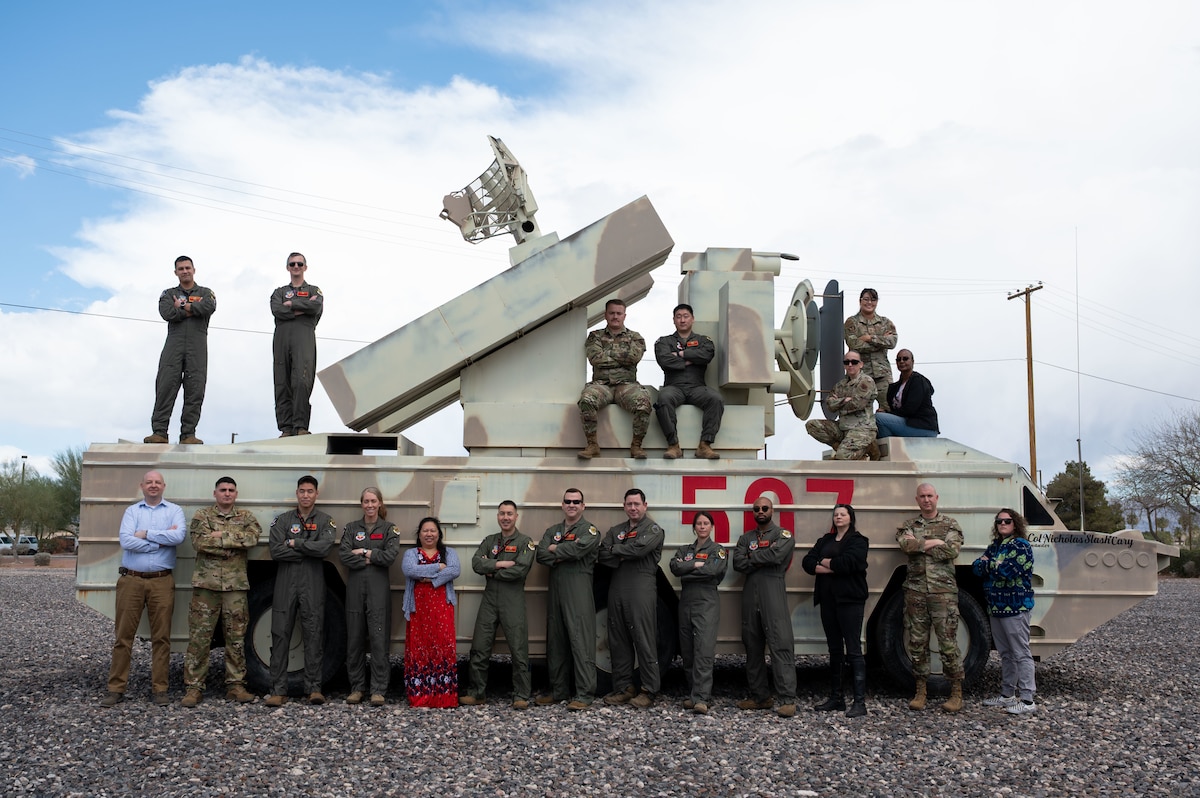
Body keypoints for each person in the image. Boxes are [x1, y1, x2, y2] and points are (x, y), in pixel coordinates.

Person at [101, 470, 186, 707]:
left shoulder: (174, 511)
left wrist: (146, 534)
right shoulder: (132, 511)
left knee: (162, 637)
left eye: (157, 482)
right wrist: (159, 543)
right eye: (149, 482)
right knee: (123, 637)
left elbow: (178, 537)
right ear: (142, 486)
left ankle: (160, 689)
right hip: (131, 580)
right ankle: (116, 688)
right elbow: (126, 540)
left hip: (162, 581)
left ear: (164, 486)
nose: (153, 485)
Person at [181, 476, 262, 707]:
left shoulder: (246, 516)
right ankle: (194, 687)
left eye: (231, 490)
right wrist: (233, 544)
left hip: (235, 587)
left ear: (236, 494)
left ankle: (235, 685)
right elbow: (199, 543)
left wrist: (221, 536)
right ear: (215, 493)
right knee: (200, 638)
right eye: (223, 489)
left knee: (236, 638)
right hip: (206, 588)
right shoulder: (202, 515)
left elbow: (252, 538)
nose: (227, 493)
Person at [264, 475, 336, 707]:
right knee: (280, 631)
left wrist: (295, 543)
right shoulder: (283, 520)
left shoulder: (325, 521)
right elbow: (276, 551)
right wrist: (308, 550)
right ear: (297, 493)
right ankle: (278, 690)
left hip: (312, 581)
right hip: (286, 580)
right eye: (302, 491)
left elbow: (324, 549)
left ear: (316, 494)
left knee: (313, 632)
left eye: (310, 491)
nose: (306, 495)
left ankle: (314, 688)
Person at [460, 501, 536, 709]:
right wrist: (500, 564)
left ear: (516, 516)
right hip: (490, 599)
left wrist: (492, 571)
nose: (505, 517)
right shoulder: (490, 541)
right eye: (502, 513)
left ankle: (521, 695)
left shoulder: (525, 542)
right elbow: (476, 563)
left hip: (512, 600)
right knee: (480, 646)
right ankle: (477, 692)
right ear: (497, 516)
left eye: (509, 514)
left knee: (518, 649)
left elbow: (521, 570)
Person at [896, 482, 965, 712]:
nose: (926, 500)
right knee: (917, 643)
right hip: (915, 592)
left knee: (948, 643)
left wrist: (920, 545)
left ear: (936, 497)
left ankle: (956, 692)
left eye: (929, 496)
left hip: (943, 593)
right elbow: (906, 546)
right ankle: (920, 691)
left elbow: (951, 550)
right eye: (922, 496)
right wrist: (935, 542)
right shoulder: (909, 525)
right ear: (917, 500)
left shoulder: (950, 524)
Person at [534, 488, 601, 710]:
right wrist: (563, 553)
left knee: (581, 640)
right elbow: (541, 554)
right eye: (568, 501)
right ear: (562, 505)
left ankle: (584, 693)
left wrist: (556, 550)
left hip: (578, 589)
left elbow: (579, 550)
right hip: (556, 590)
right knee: (556, 640)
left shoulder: (589, 531)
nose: (572, 505)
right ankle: (558, 690)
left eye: (576, 501)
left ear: (583, 506)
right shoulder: (552, 530)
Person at [599, 488, 665, 708]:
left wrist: (616, 550)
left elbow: (640, 550)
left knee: (644, 639)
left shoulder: (653, 529)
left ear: (645, 506)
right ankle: (624, 687)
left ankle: (649, 690)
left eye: (637, 504)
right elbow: (603, 555)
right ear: (624, 506)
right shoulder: (616, 530)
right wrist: (622, 552)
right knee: (618, 639)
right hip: (617, 587)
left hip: (641, 588)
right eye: (629, 504)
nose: (633, 508)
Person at [801, 504, 870, 718]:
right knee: (835, 649)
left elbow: (850, 563)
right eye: (836, 514)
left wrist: (824, 562)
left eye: (843, 514)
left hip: (850, 601)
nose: (839, 517)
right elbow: (807, 562)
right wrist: (832, 566)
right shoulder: (825, 540)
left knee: (854, 649)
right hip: (828, 600)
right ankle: (836, 698)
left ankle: (859, 702)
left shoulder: (858, 541)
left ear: (851, 517)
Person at [733, 496, 798, 718]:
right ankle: (760, 696)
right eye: (756, 509)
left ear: (772, 510)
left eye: (764, 508)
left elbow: (778, 555)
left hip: (773, 592)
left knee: (781, 643)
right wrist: (763, 558)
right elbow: (738, 563)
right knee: (752, 645)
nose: (760, 511)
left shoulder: (783, 535)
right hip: (750, 594)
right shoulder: (746, 538)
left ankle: (787, 699)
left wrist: (752, 557)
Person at [144, 256, 217, 445]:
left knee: (195, 389)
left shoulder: (205, 292)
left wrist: (183, 306)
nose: (185, 271)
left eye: (187, 268)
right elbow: (167, 313)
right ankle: (159, 432)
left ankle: (188, 434)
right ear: (175, 272)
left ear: (194, 270)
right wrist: (193, 310)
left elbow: (208, 307)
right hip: (173, 346)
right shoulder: (169, 294)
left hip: (197, 346)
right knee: (165, 386)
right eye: (181, 269)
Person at [339, 487, 401, 706]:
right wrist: (373, 557)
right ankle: (357, 688)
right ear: (361, 504)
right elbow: (344, 555)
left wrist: (364, 552)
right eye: (366, 501)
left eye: (373, 501)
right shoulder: (351, 528)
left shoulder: (389, 529)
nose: (370, 505)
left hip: (378, 588)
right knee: (354, 639)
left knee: (378, 639)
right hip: (355, 587)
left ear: (380, 503)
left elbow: (390, 556)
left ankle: (378, 690)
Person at [973, 509, 1037, 714]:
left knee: (1021, 653)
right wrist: (994, 564)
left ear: (1015, 523)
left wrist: (989, 564)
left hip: (1016, 607)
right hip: (996, 608)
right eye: (999, 521)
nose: (1002, 524)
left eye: (1007, 521)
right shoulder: (996, 546)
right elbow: (976, 568)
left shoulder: (1021, 546)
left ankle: (1027, 700)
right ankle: (1008, 695)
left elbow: (1007, 572)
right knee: (1006, 654)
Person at [577, 298, 653, 459]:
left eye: (619, 313)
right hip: (602, 385)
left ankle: (636, 446)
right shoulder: (595, 336)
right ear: (605, 315)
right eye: (612, 313)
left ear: (624, 316)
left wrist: (608, 353)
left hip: (626, 385)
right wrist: (623, 357)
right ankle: (592, 445)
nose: (615, 316)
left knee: (643, 403)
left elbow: (633, 358)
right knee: (586, 400)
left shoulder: (635, 337)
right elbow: (595, 359)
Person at [668, 510, 727, 714]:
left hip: (706, 602)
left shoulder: (717, 550)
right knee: (688, 650)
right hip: (686, 603)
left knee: (703, 650)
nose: (702, 526)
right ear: (694, 527)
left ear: (711, 527)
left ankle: (702, 698)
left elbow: (713, 570)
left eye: (706, 523)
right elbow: (674, 567)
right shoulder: (685, 549)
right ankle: (693, 694)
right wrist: (695, 564)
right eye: (699, 523)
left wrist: (687, 570)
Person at [401, 517, 461, 708]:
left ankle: (444, 697)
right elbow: (409, 570)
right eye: (425, 531)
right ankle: (420, 696)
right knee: (420, 647)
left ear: (439, 534)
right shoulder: (411, 553)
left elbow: (455, 570)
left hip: (442, 608)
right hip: (418, 609)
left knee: (443, 645)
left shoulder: (449, 553)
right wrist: (437, 567)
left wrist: (430, 579)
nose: (429, 534)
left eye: (433, 530)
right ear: (419, 534)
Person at [653, 303, 724, 460]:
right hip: (674, 386)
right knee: (663, 398)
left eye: (686, 316)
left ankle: (705, 445)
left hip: (697, 387)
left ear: (692, 319)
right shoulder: (664, 341)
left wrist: (680, 354)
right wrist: (691, 360)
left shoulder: (703, 340)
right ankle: (673, 445)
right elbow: (664, 360)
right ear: (674, 320)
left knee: (716, 399)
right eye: (678, 317)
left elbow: (706, 355)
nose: (682, 320)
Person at [270, 252, 324, 437]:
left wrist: (291, 304)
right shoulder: (279, 292)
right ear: (287, 267)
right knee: (282, 381)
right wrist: (302, 308)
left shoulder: (314, 291)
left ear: (305, 267)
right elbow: (277, 310)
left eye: (299, 264)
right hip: (282, 339)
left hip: (304, 338)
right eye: (292, 264)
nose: (296, 267)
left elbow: (315, 307)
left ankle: (300, 426)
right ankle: (286, 428)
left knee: (302, 380)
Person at [805, 350, 878, 460]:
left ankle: (867, 449)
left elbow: (857, 404)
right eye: (846, 362)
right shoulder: (840, 385)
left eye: (854, 362)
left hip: (862, 429)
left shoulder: (866, 381)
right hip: (843, 427)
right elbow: (829, 405)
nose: (850, 365)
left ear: (861, 364)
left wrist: (838, 403)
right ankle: (841, 448)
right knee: (812, 425)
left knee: (842, 456)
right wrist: (844, 400)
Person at [843, 287, 897, 410]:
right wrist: (881, 342)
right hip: (860, 375)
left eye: (873, 300)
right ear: (860, 301)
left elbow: (892, 342)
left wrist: (869, 338)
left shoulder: (885, 322)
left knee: (889, 407)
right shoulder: (852, 322)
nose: (869, 303)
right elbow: (854, 344)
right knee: (860, 410)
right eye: (866, 299)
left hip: (883, 375)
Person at [876, 349, 940, 439]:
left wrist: (888, 413)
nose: (902, 361)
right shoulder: (894, 387)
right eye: (899, 359)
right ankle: (890, 446)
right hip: (906, 423)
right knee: (878, 423)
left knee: (879, 418)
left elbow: (910, 409)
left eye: (905, 359)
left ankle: (892, 446)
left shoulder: (918, 381)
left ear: (912, 361)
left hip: (923, 426)